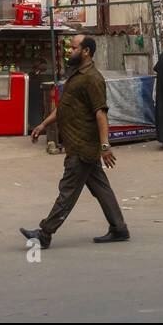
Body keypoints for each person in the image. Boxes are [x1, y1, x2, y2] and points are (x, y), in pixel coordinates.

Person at [20, 37, 129, 248]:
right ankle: (119, 228)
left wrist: (105, 145)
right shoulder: (76, 76)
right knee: (101, 187)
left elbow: (101, 113)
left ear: (86, 51)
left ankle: (45, 233)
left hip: (82, 146)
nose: (70, 51)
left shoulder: (92, 79)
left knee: (68, 191)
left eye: (74, 47)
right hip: (79, 145)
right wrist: (43, 125)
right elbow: (64, 108)